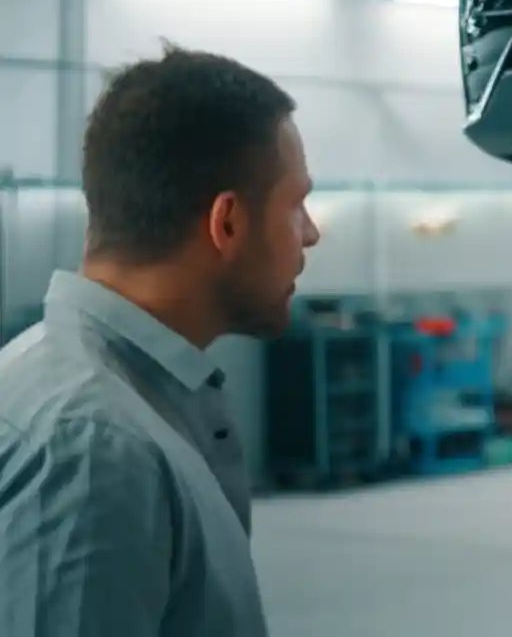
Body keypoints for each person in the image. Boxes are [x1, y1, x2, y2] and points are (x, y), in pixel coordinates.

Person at [0, 46, 320, 635]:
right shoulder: (93, 449)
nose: (312, 233)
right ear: (227, 222)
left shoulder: (112, 405)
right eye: (297, 204)